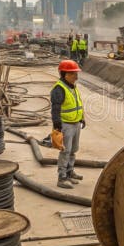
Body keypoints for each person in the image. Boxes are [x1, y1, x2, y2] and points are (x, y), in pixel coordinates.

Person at [51, 60, 86, 189]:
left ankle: (70, 172)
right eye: (73, 74)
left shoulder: (72, 86)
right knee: (65, 151)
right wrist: (57, 125)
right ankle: (62, 177)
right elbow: (55, 108)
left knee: (73, 150)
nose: (76, 77)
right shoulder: (59, 89)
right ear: (65, 74)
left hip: (75, 123)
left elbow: (77, 104)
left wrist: (82, 118)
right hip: (66, 125)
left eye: (76, 73)